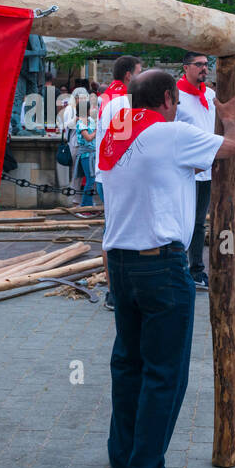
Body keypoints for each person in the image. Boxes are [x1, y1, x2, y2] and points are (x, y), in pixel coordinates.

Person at [99, 69, 235, 468]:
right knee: (165, 372)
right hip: (160, 265)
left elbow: (188, 157)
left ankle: (123, 455)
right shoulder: (171, 135)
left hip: (121, 262)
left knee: (128, 363)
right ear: (169, 98)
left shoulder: (115, 132)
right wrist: (227, 117)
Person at [95, 55, 142, 309]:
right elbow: (123, 143)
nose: (141, 76)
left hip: (107, 174)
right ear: (128, 76)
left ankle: (117, 289)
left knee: (113, 231)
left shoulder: (108, 97)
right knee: (115, 233)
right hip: (116, 176)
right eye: (139, 72)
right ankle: (115, 290)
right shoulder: (123, 100)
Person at [175, 53, 217, 289]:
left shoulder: (209, 95)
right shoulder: (176, 96)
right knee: (183, 220)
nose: (204, 69)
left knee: (200, 222)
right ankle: (180, 267)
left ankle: (197, 269)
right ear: (186, 67)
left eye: (205, 64)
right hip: (186, 169)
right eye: (199, 65)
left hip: (208, 169)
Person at [72, 91, 100, 207]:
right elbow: (88, 138)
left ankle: (87, 203)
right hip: (86, 155)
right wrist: (96, 131)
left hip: (93, 154)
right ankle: (86, 205)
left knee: (92, 180)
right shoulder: (80, 123)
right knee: (90, 179)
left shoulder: (91, 120)